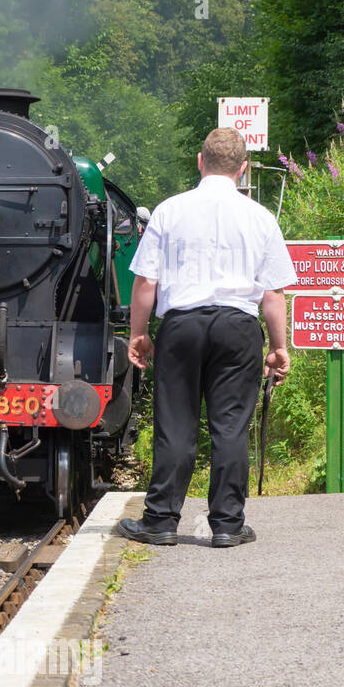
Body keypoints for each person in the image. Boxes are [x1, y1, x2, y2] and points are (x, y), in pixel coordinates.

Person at [117, 127, 295, 548]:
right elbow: (273, 293)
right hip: (238, 327)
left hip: (182, 325)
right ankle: (228, 525)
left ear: (200, 162)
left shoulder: (169, 211)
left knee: (176, 424)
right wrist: (278, 346)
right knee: (231, 427)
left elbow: (146, 281)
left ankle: (160, 521)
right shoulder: (260, 216)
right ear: (243, 168)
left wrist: (138, 334)